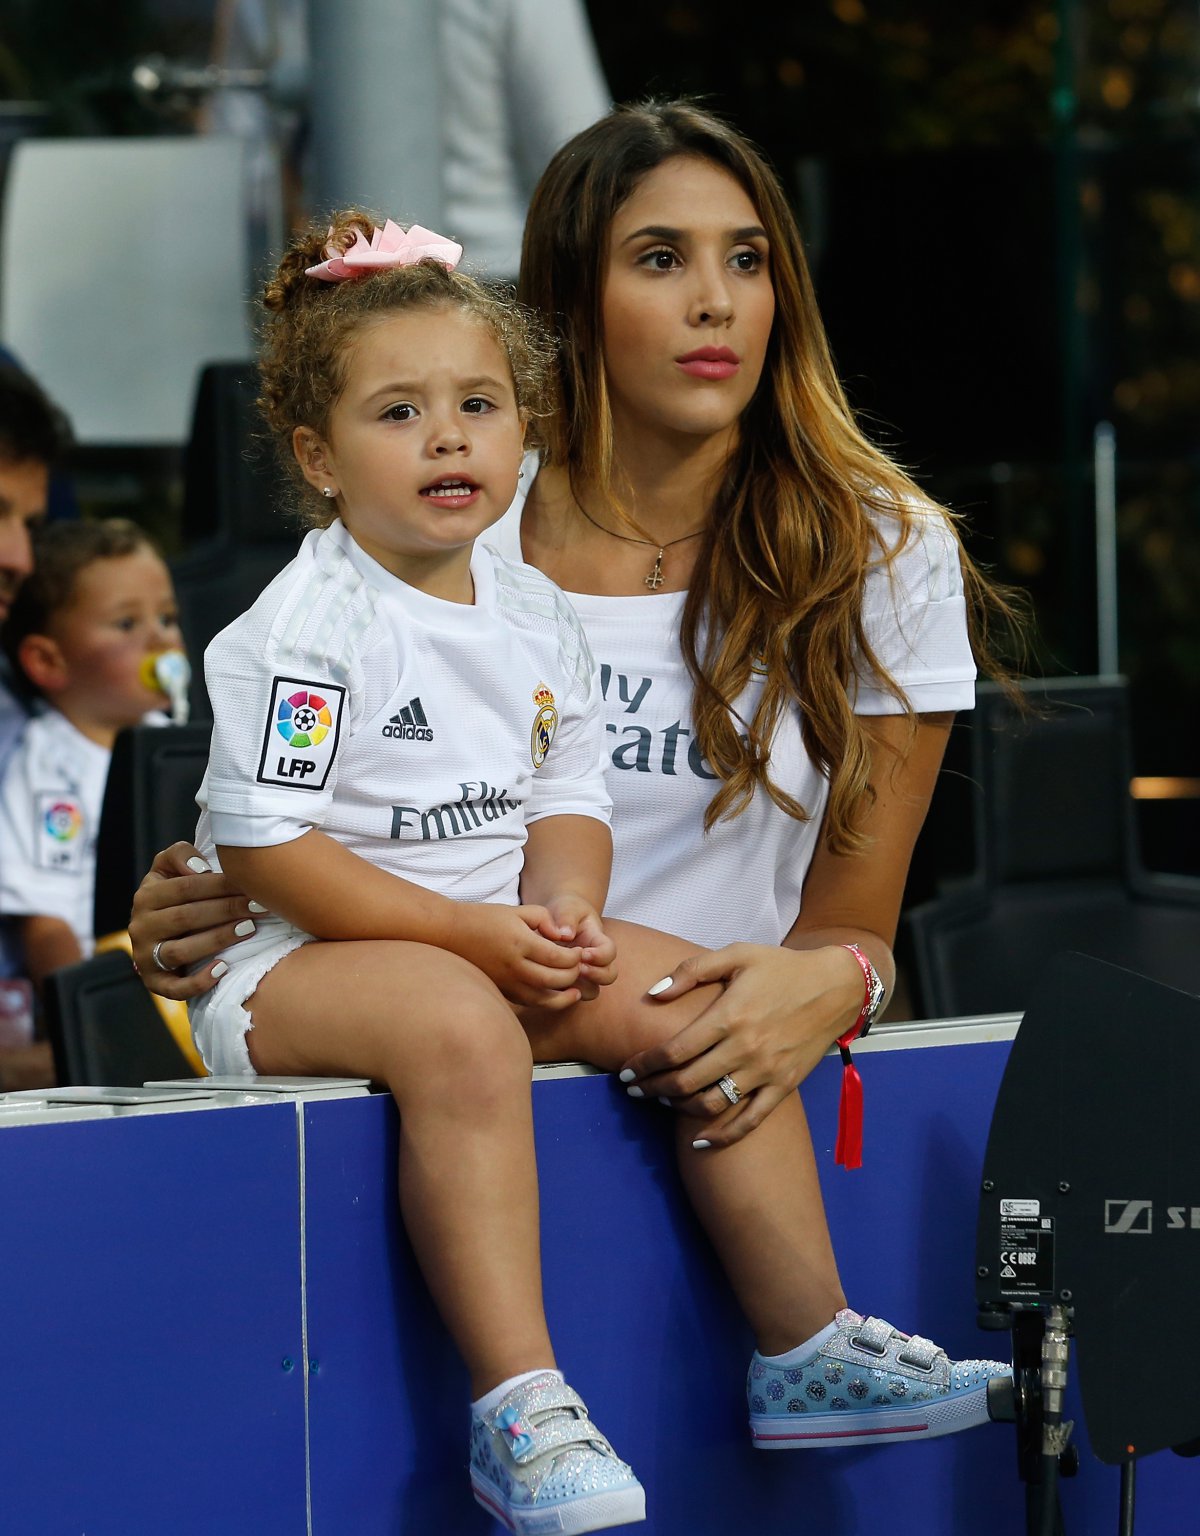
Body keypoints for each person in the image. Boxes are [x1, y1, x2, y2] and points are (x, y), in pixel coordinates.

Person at [130, 99, 1017, 1472]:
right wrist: (208, 886)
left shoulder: (881, 548)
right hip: (442, 1113)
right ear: (566, 304)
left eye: (749, 257)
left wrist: (821, 991)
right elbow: (291, 804)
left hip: (710, 1100)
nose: (715, 300)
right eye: (658, 257)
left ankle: (809, 1343)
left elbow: (858, 926)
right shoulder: (451, 502)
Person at [181, 212, 648, 1534]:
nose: (450, 437)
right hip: (292, 973)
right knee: (455, 1021)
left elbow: (570, 791)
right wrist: (473, 937)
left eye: (479, 403)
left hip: (474, 942)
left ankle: (807, 1344)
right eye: (401, 412)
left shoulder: (536, 608)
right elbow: (268, 846)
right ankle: (518, 1407)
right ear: (319, 459)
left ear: (523, 430)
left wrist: (561, 911)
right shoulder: (311, 630)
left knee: (679, 987)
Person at [0, 519, 184, 989]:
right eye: (127, 623)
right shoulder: (46, 764)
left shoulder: (175, 743)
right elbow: (47, 925)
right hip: (112, 983)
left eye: (166, 618)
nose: (161, 639)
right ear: (49, 661)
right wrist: (93, 1027)